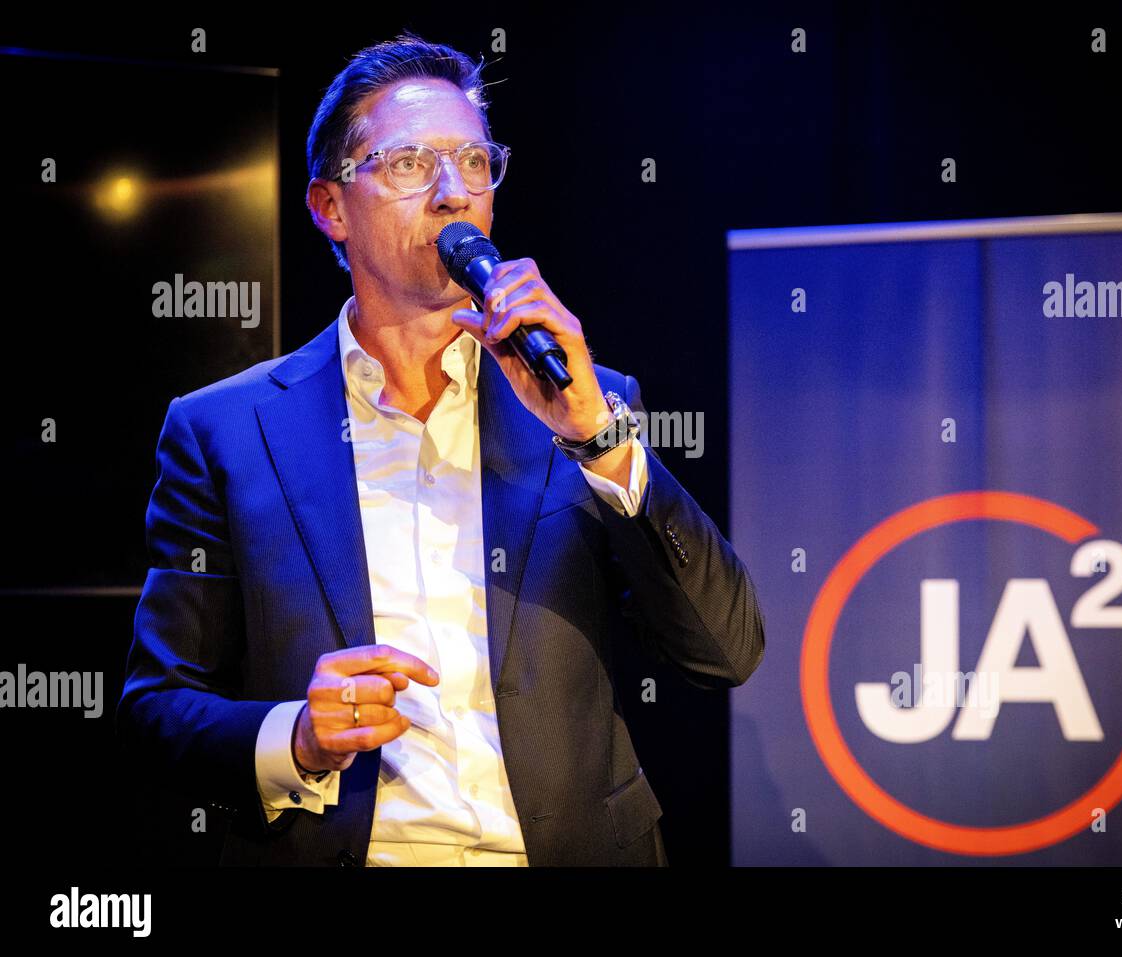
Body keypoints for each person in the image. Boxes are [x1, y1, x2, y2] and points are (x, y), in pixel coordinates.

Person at [116, 34, 764, 867]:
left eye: (473, 161)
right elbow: (155, 708)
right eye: (412, 164)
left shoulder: (582, 399)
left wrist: (597, 438)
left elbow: (726, 649)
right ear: (330, 206)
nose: (454, 192)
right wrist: (299, 737)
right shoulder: (225, 430)